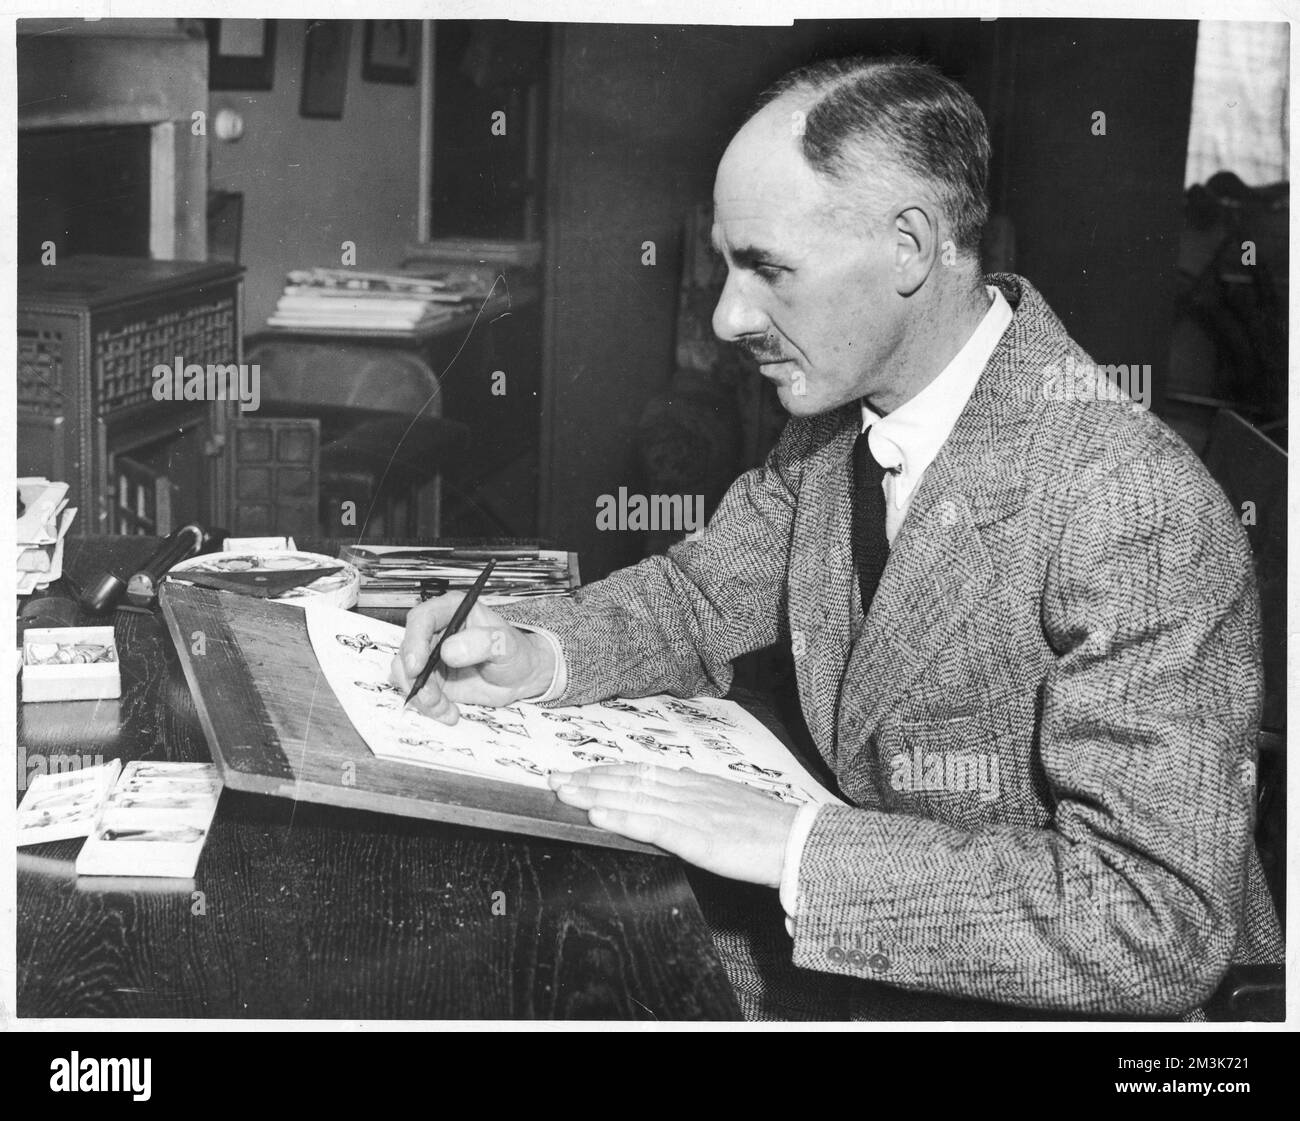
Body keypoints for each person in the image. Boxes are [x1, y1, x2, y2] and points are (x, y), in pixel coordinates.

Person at [391, 56, 1283, 1019]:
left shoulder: (1133, 503)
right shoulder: (835, 414)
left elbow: (1156, 922)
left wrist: (795, 846)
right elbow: (698, 596)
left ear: (910, 247)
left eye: (768, 268)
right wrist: (540, 652)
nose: (731, 315)